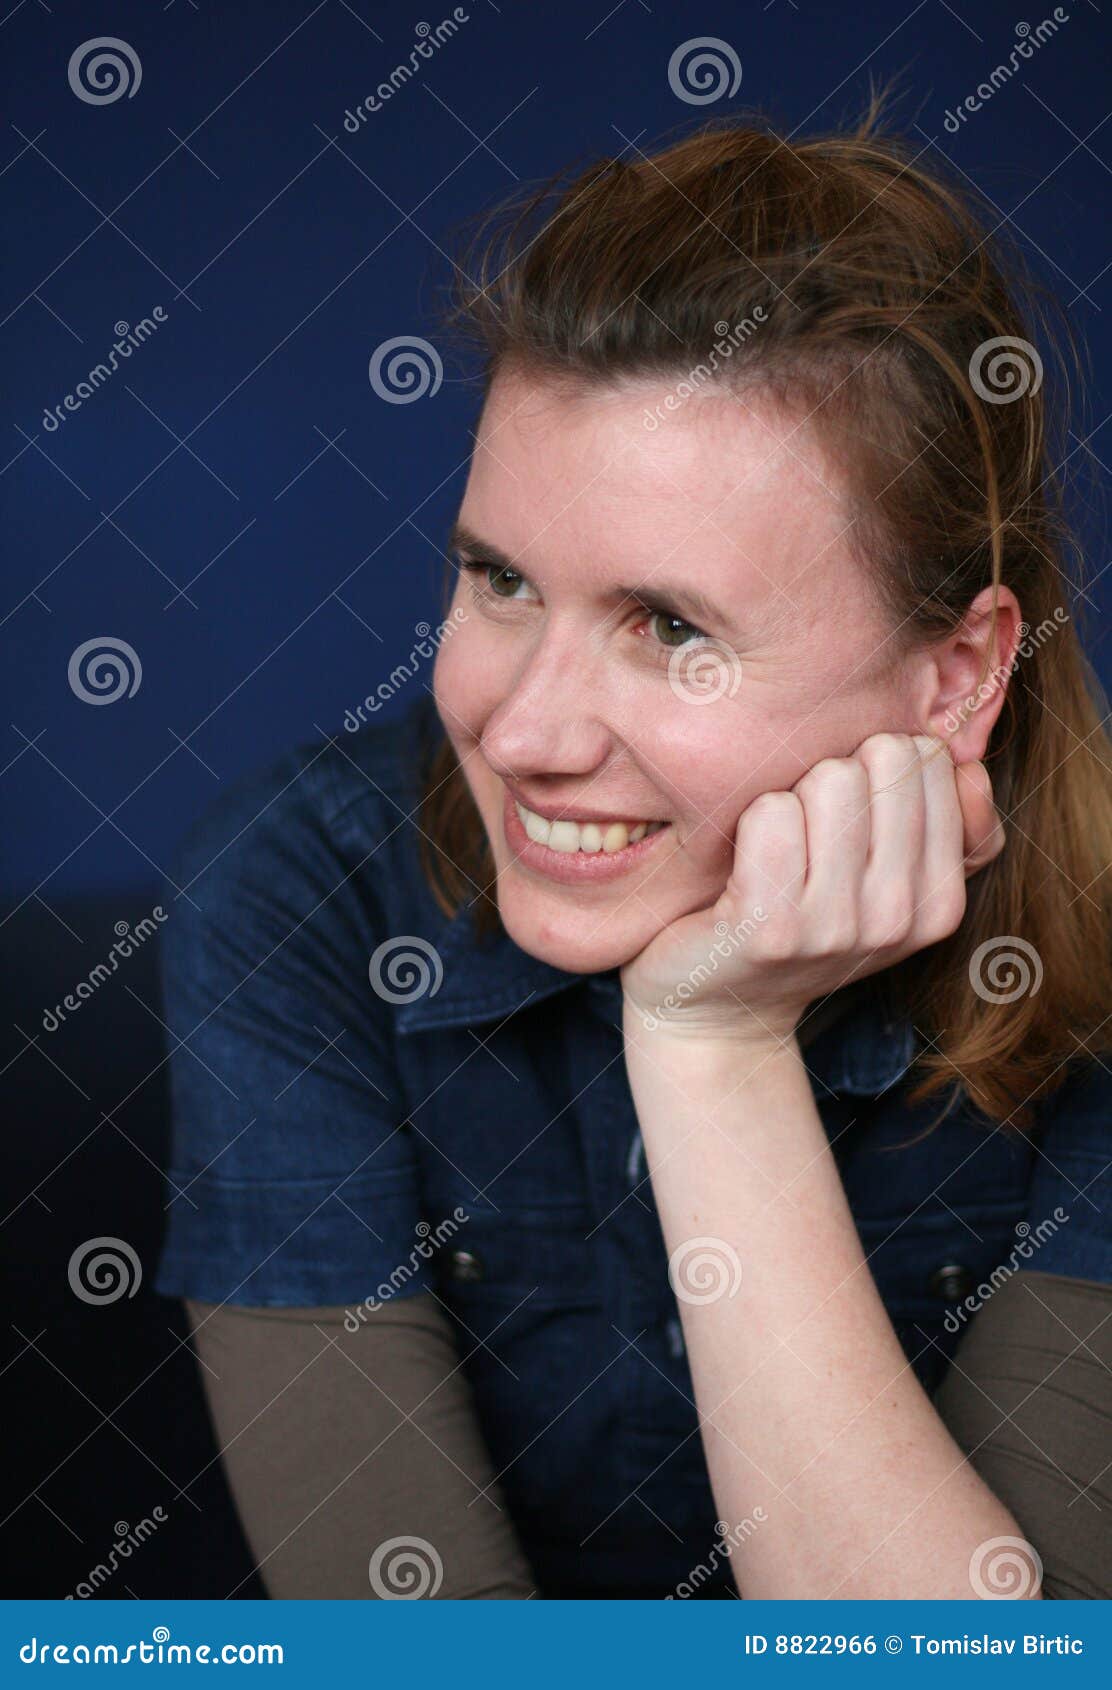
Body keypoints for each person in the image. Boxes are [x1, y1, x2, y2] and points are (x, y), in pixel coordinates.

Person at [153, 93, 1112, 1600]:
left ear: (958, 679)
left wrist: (714, 1048)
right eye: (500, 580)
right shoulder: (302, 892)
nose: (524, 731)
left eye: (670, 627)